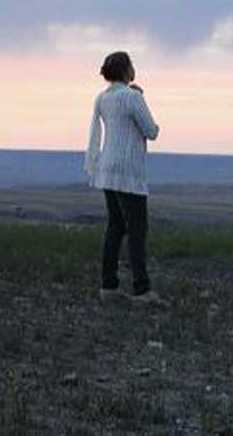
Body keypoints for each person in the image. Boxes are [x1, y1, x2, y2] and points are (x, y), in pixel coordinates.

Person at [86, 50, 163, 304]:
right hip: (129, 172)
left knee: (115, 227)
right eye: (132, 65)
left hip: (107, 169)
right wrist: (141, 97)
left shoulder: (102, 98)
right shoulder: (133, 97)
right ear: (126, 70)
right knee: (137, 230)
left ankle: (108, 286)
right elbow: (150, 131)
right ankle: (142, 290)